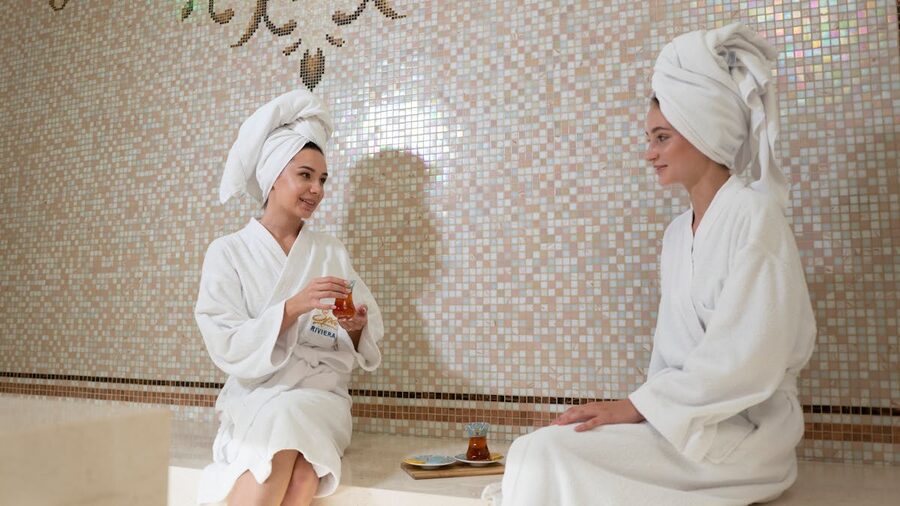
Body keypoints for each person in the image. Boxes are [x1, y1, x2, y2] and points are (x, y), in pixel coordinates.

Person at [487, 23, 816, 506]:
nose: (649, 153)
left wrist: (638, 407)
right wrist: (644, 409)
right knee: (538, 449)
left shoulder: (753, 215)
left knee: (548, 454)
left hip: (748, 431)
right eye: (649, 137)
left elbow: (749, 361)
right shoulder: (675, 235)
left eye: (662, 137)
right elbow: (669, 359)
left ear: (703, 131)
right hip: (683, 420)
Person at [194, 90, 383, 506]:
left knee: (291, 428)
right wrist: (293, 306)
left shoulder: (330, 250)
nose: (316, 190)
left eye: (323, 180)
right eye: (305, 175)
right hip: (258, 395)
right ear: (274, 174)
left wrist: (355, 330)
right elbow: (224, 339)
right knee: (300, 476)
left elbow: (356, 342)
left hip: (322, 397)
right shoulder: (227, 252)